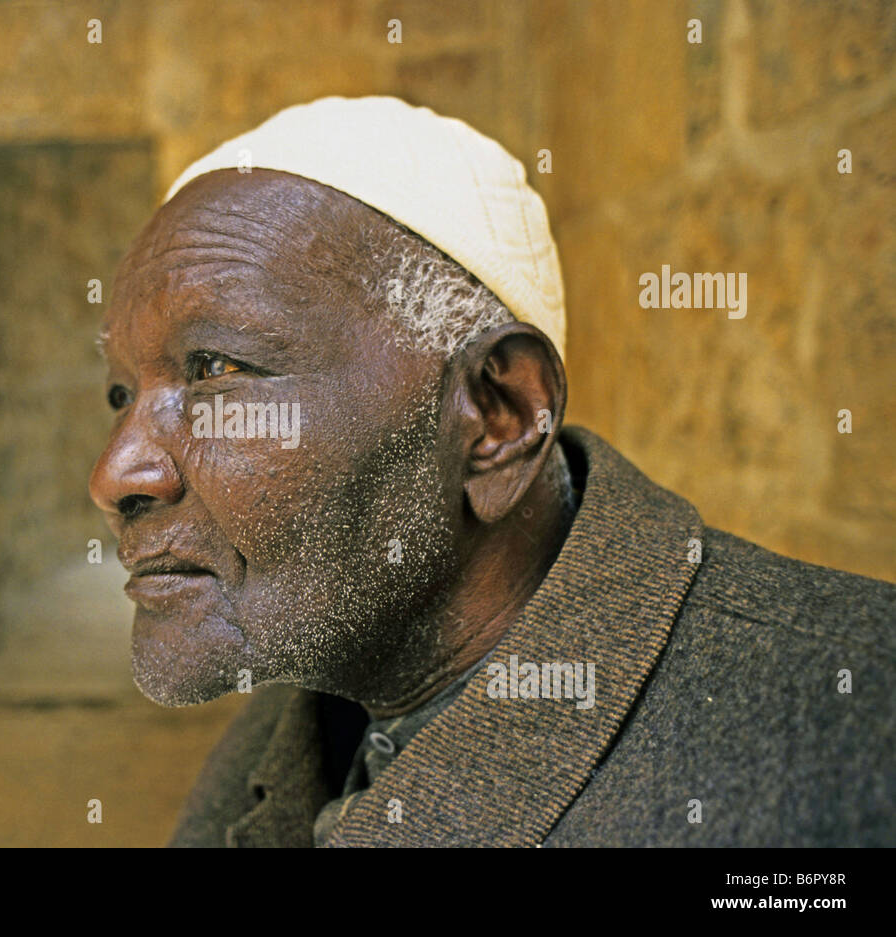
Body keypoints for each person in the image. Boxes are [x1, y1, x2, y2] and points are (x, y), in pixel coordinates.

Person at [88, 97, 895, 847]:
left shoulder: (851, 734)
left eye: (218, 369)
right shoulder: (301, 712)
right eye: (123, 391)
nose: (115, 471)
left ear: (497, 418)